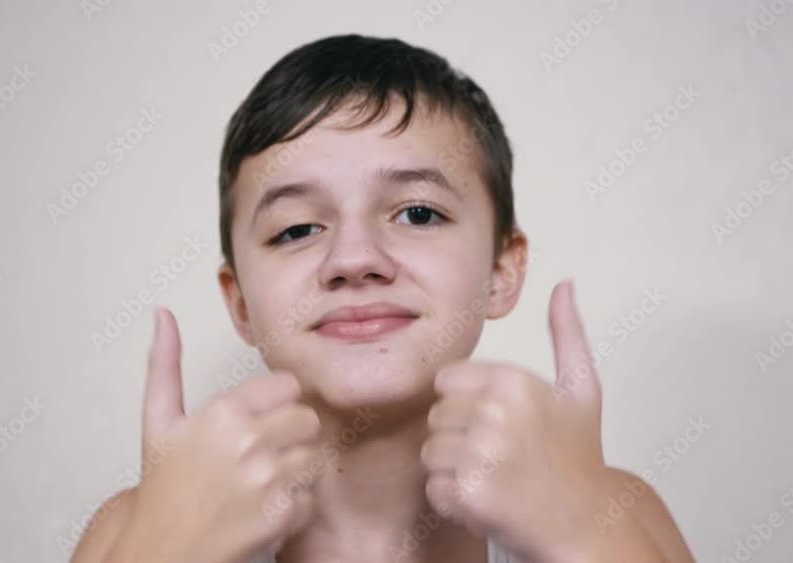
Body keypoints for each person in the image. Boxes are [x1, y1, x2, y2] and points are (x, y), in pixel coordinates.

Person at [71, 34, 695, 563]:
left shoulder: (615, 512)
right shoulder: (134, 534)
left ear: (502, 270)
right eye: (296, 229)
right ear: (240, 305)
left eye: (418, 213)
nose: (354, 260)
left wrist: (587, 532)